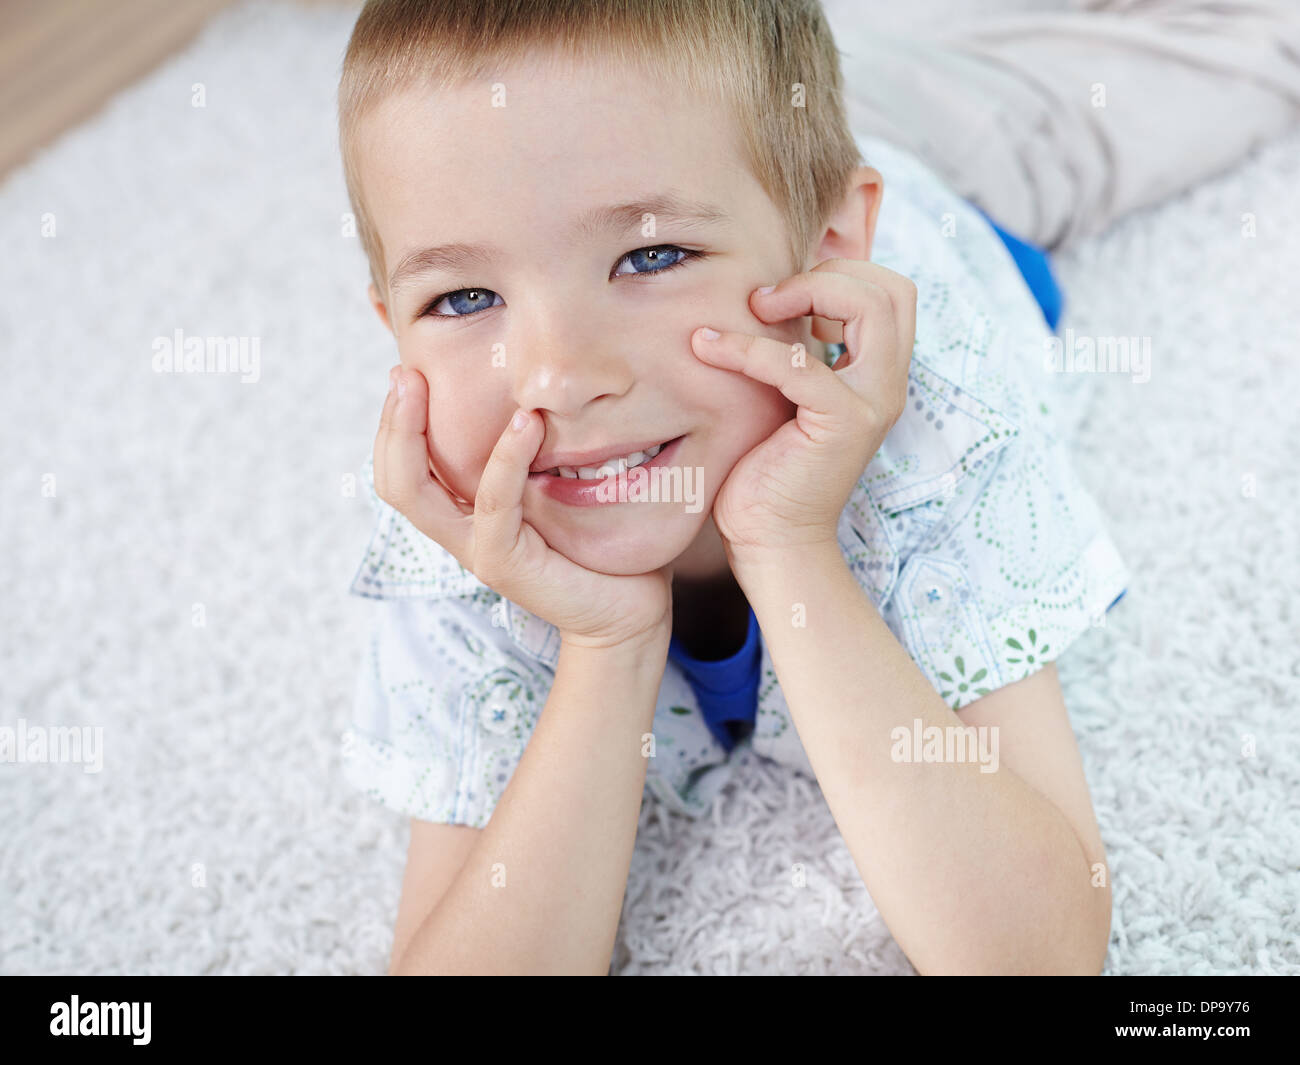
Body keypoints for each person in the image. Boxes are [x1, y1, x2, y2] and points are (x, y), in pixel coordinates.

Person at [334, 0, 1297, 975]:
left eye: (651, 255)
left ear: (834, 241)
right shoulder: (458, 535)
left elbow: (1036, 958)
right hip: (745, 142)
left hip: (947, 173)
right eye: (462, 298)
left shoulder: (926, 425)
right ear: (390, 325)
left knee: (1231, 57)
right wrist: (605, 646)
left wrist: (789, 547)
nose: (555, 376)